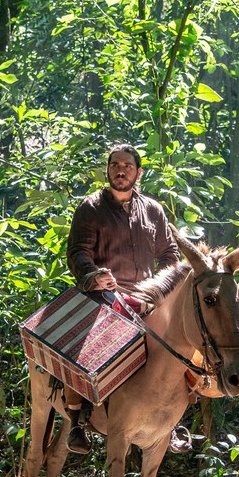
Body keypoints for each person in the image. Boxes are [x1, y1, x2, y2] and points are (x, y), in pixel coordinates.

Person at [63, 143, 179, 453]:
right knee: (83, 349)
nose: (121, 170)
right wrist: (94, 275)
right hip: (104, 297)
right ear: (108, 170)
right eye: (115, 164)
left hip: (146, 299)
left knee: (184, 345)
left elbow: (170, 253)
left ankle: (175, 419)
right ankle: (78, 419)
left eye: (127, 165)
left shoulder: (153, 209)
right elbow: (77, 252)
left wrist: (163, 287)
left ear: (138, 172)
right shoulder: (90, 207)